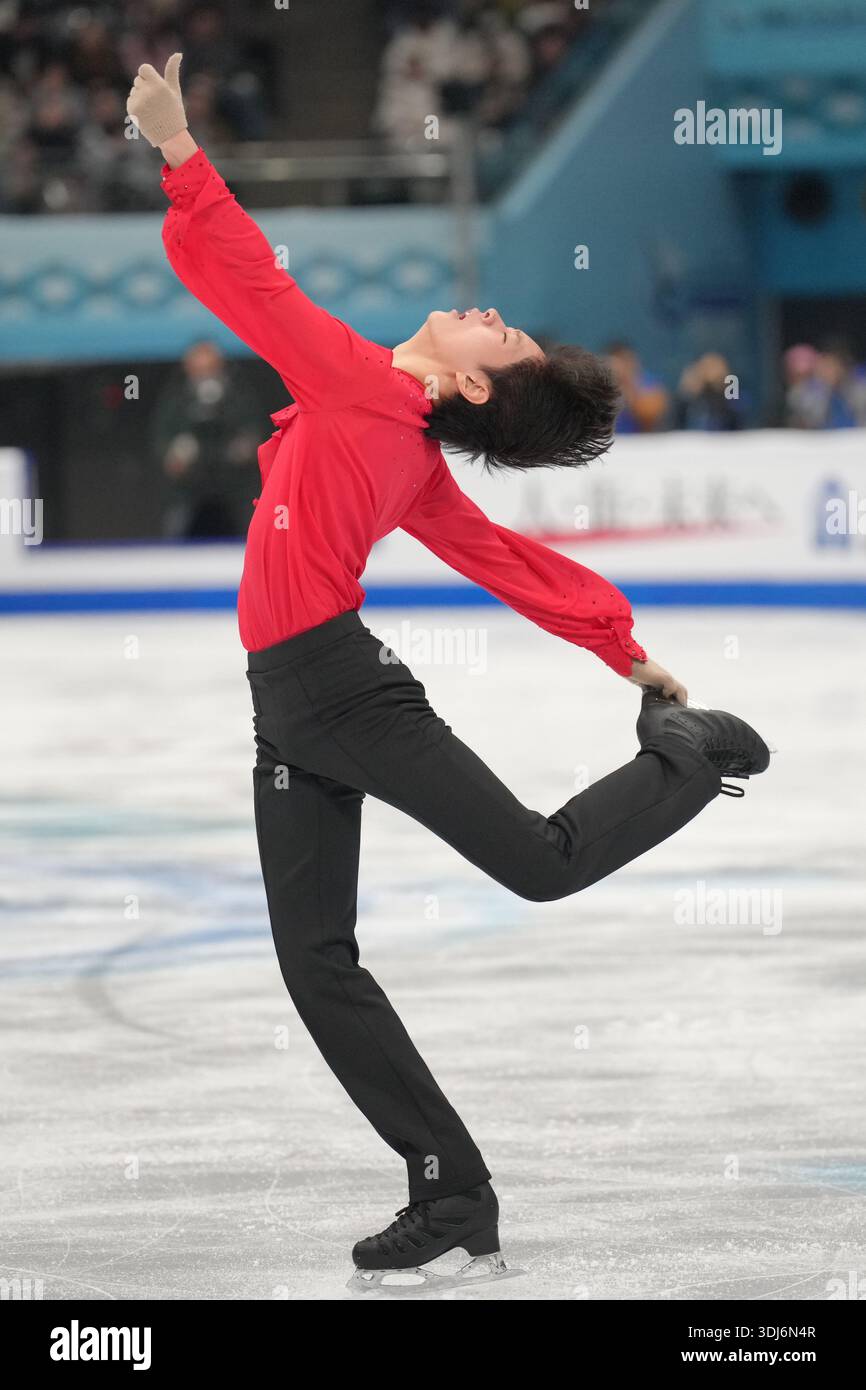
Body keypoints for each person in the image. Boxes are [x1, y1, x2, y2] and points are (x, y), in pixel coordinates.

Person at [127, 56, 770, 1292]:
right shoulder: (399, 436)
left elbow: (248, 285)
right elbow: (501, 555)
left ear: (471, 379)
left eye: (502, 333)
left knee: (535, 859)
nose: (489, 312)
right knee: (315, 961)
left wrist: (178, 154)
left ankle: (687, 762)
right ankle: (450, 1191)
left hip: (336, 690)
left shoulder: (366, 389)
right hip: (290, 706)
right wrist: (615, 638)